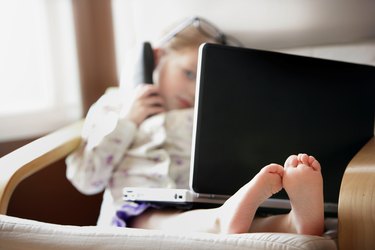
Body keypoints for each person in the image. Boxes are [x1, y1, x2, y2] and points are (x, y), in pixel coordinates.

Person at [66, 17, 324, 236]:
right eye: (189, 73)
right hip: (132, 214)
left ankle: (291, 223)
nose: (193, 90)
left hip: (196, 204)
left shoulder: (207, 114)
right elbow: (86, 180)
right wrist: (128, 121)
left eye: (203, 81)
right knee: (154, 218)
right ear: (158, 57)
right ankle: (222, 220)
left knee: (237, 214)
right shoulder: (114, 105)